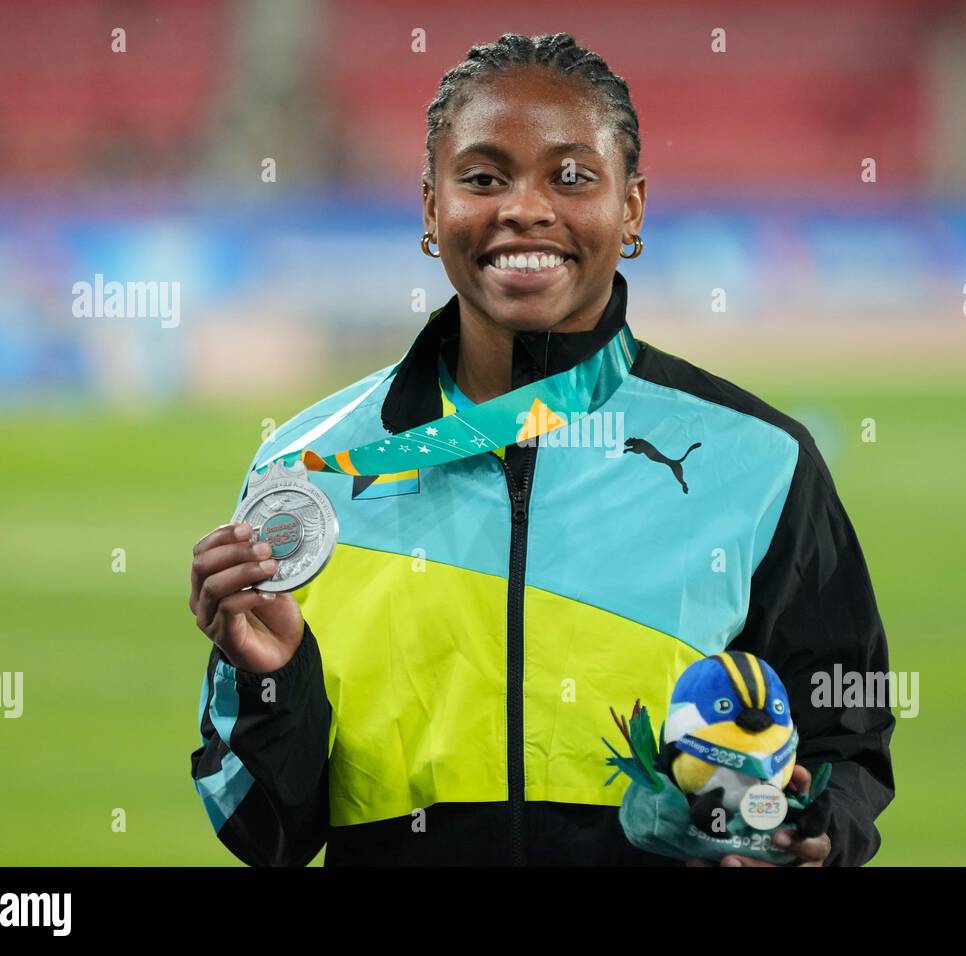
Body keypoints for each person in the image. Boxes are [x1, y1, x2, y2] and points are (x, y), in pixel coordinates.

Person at [189, 32, 895, 867]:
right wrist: (273, 681)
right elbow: (265, 835)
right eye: (484, 177)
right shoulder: (304, 475)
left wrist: (801, 835)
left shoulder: (764, 463)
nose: (525, 207)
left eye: (571, 176)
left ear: (630, 208)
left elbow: (843, 748)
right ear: (430, 208)